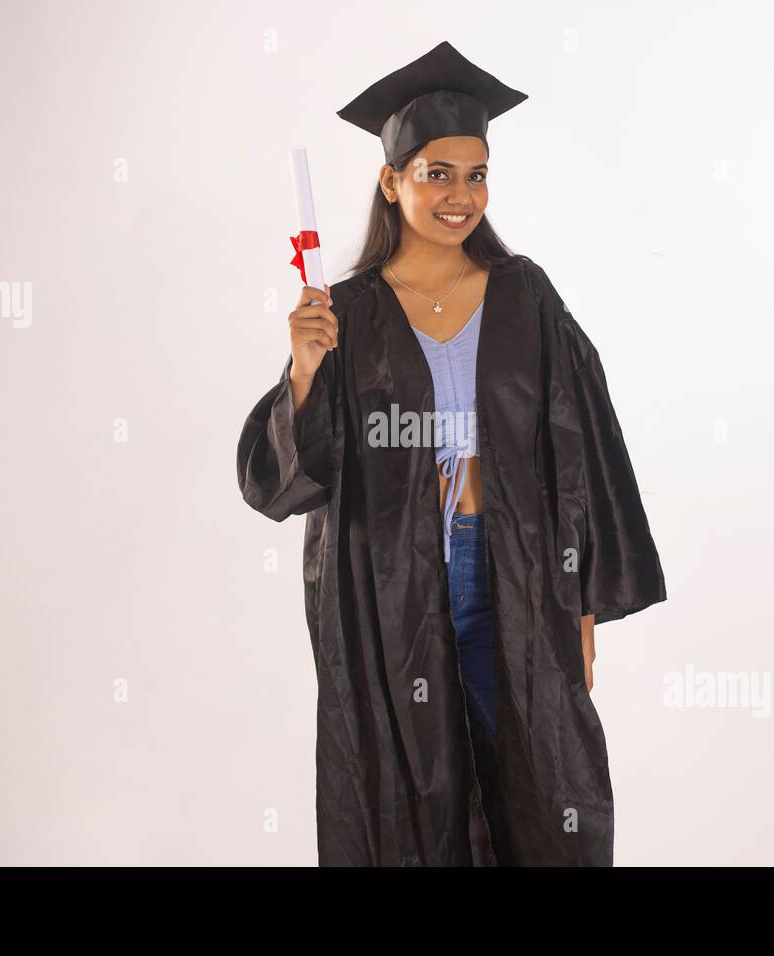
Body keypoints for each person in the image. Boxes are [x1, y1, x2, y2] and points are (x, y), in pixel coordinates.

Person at [237, 41, 666, 866]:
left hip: (517, 573)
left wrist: (579, 602)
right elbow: (283, 482)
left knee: (541, 784)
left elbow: (582, 452)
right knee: (411, 795)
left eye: (476, 175)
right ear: (392, 181)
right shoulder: (347, 315)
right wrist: (303, 370)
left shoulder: (525, 295)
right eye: (437, 173)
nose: (459, 195)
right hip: (389, 588)